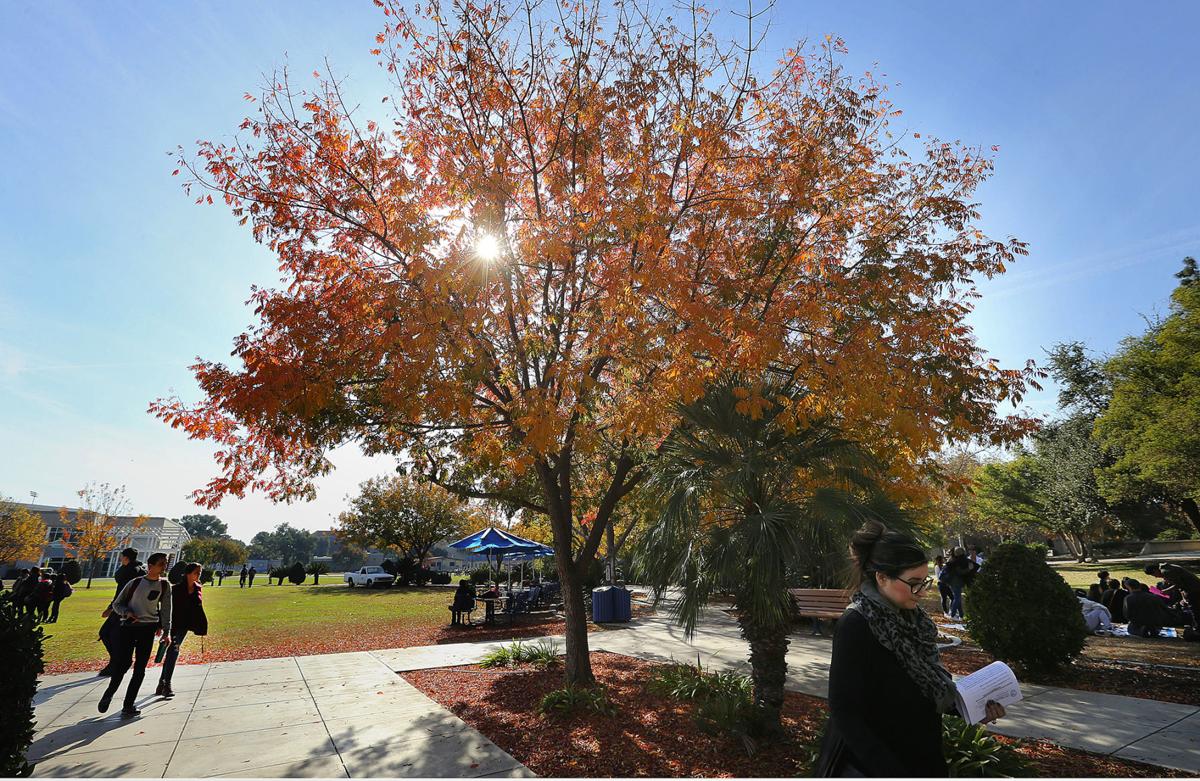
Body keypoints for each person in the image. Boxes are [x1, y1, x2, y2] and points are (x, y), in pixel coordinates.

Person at [816, 520, 1004, 776]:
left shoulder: (916, 622)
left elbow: (925, 687)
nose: (921, 592)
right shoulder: (856, 624)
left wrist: (973, 708)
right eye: (914, 583)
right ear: (882, 577)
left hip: (924, 756)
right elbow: (845, 712)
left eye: (924, 582)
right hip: (877, 764)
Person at [99, 552, 172, 717]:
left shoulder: (165, 585)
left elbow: (167, 610)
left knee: (140, 669)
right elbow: (117, 604)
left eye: (165, 563)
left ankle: (128, 705)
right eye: (161, 563)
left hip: (148, 629)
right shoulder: (135, 583)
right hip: (129, 627)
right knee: (123, 664)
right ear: (150, 566)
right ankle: (109, 694)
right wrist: (127, 612)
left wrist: (166, 632)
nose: (164, 566)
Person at [156, 562, 208, 698]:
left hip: (184, 625)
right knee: (173, 651)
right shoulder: (175, 589)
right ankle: (166, 685)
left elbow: (197, 607)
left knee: (172, 652)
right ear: (188, 573)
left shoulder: (198, 588)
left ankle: (162, 683)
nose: (199, 575)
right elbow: (166, 608)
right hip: (173, 624)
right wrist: (161, 625)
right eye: (196, 572)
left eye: (200, 572)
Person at [98, 548, 145, 677]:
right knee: (113, 635)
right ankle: (117, 661)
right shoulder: (139, 570)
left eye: (122, 557)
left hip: (123, 609)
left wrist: (111, 607)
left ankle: (118, 661)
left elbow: (121, 593)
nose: (120, 559)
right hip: (131, 608)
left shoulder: (128, 572)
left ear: (126, 558)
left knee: (106, 633)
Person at [942, 548, 973, 620]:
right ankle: (952, 615)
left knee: (957, 598)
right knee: (957, 598)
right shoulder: (957, 561)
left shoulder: (952, 560)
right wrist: (969, 569)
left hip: (952, 582)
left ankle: (961, 615)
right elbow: (959, 572)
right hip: (956, 582)